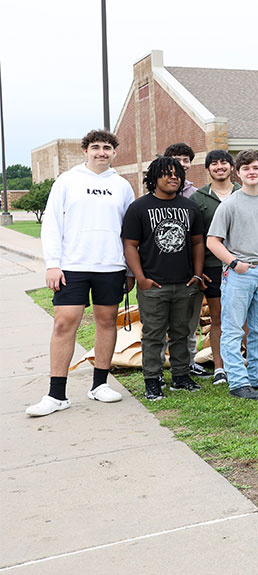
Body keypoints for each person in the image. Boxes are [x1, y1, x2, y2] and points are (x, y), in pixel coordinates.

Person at [26, 129, 136, 417]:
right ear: (86, 151)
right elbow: (51, 223)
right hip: (72, 266)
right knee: (64, 323)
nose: (102, 152)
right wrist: (52, 263)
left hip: (111, 266)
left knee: (106, 322)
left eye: (107, 148)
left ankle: (99, 384)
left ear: (114, 152)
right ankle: (56, 394)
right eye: (96, 147)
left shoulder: (122, 186)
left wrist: (128, 268)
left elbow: (129, 232)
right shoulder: (68, 180)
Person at [206, 150, 258, 400]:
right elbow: (213, 241)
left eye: (255, 167)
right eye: (245, 169)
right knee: (233, 329)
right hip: (240, 274)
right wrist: (234, 263)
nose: (251, 172)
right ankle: (238, 382)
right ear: (238, 173)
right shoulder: (230, 204)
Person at [121, 157, 206, 400]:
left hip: (184, 283)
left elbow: (198, 242)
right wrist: (141, 278)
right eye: (167, 173)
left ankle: (180, 376)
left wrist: (197, 275)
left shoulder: (190, 207)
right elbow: (130, 245)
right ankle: (152, 380)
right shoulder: (139, 208)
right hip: (153, 285)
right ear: (154, 178)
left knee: (181, 332)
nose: (173, 177)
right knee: (153, 334)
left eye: (177, 174)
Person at [192, 149, 239, 385]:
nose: (219, 167)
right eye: (214, 163)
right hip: (212, 267)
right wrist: (197, 270)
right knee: (218, 318)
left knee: (244, 319)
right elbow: (195, 239)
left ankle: (241, 363)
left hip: (243, 266)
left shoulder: (244, 192)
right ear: (208, 169)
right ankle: (219, 367)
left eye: (224, 162)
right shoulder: (199, 198)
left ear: (232, 167)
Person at [165, 141, 209, 379]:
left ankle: (189, 361)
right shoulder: (154, 193)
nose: (181, 165)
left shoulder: (196, 195)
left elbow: (201, 236)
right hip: (162, 271)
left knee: (190, 321)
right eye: (176, 159)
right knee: (161, 323)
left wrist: (199, 269)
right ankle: (160, 366)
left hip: (192, 270)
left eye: (185, 160)